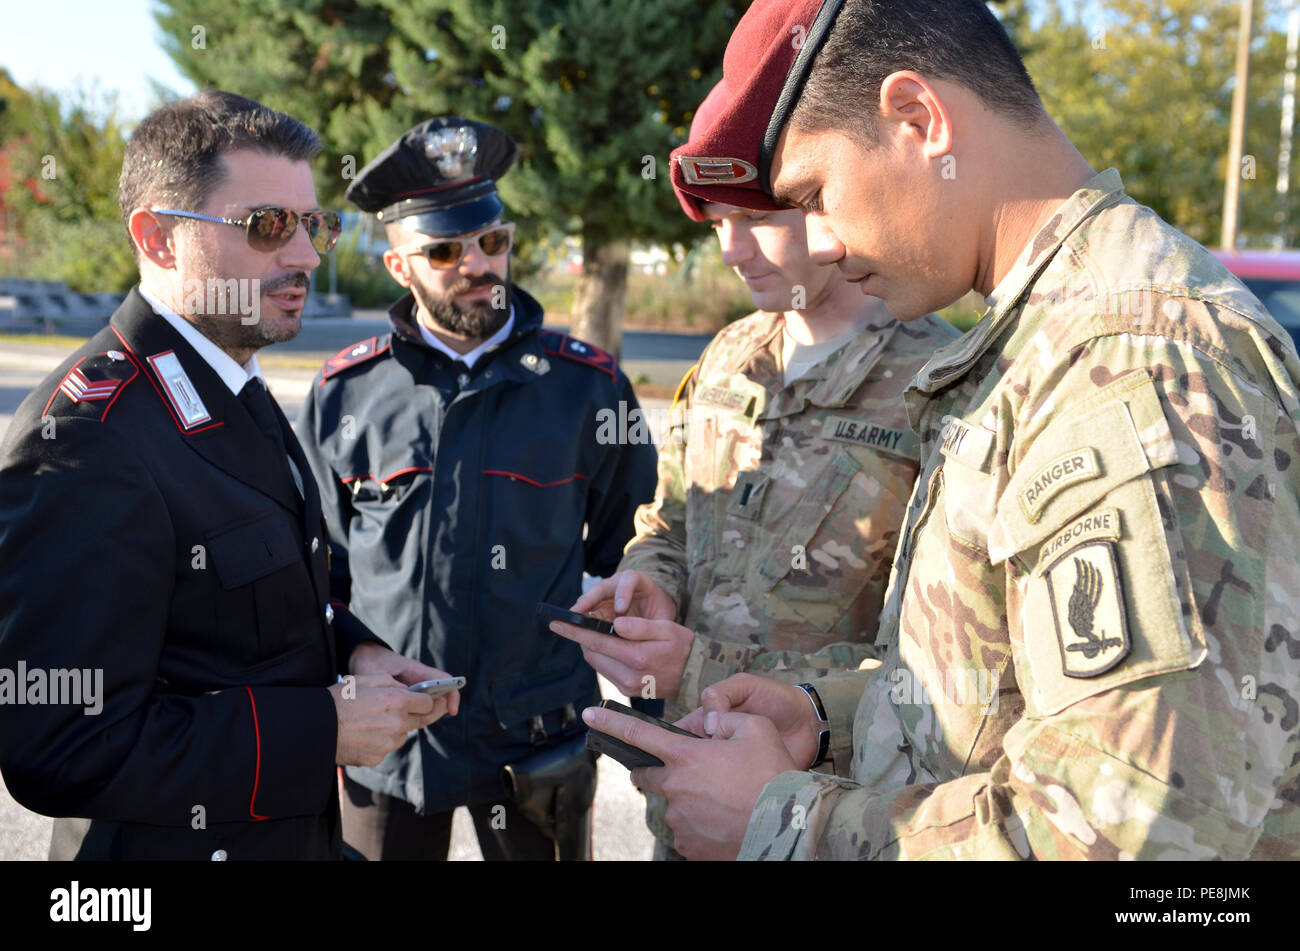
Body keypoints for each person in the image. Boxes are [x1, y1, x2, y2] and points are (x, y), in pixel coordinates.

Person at [584, 0, 1300, 860]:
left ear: (918, 119)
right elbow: (1002, 692)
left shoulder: (1137, 362)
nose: (827, 242)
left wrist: (788, 822)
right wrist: (826, 716)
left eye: (815, 193)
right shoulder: (1039, 341)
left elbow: (1136, 841)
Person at [0, 90, 455, 861]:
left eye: (315, 224)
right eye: (268, 225)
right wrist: (323, 728)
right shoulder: (87, 437)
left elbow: (240, 606)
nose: (309, 255)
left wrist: (355, 653)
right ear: (160, 236)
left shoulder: (230, 379)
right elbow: (61, 746)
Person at [551, 80, 958, 860]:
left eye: (760, 219)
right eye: (718, 222)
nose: (732, 249)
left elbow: (938, 666)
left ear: (828, 201)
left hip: (832, 816)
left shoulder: (935, 381)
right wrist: (652, 578)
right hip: (688, 798)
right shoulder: (730, 356)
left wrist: (698, 662)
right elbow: (668, 517)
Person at [293, 117, 658, 861]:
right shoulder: (345, 394)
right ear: (399, 265)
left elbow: (637, 551)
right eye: (446, 250)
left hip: (537, 740)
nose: (479, 264)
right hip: (393, 741)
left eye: (494, 241)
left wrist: (644, 710)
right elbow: (313, 575)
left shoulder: (587, 388)